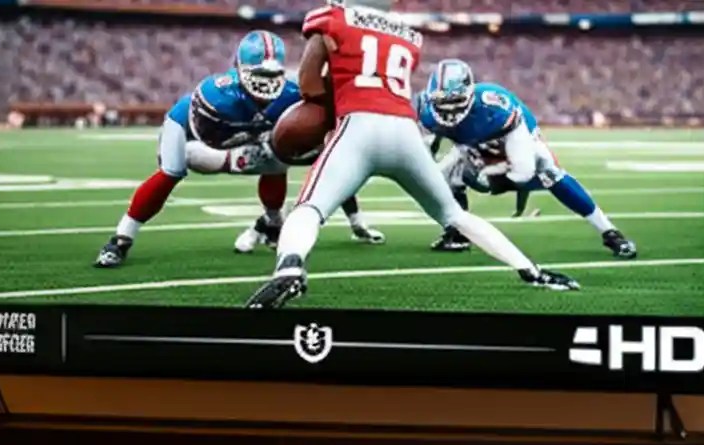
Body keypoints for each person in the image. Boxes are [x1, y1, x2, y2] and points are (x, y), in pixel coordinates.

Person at [246, 0, 577, 309]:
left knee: (309, 208)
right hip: (406, 131)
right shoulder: (407, 34)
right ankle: (531, 270)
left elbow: (309, 85)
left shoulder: (332, 17)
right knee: (455, 215)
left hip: (359, 125)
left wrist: (323, 111)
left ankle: (289, 268)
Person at [97, 31, 380, 268]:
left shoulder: (292, 94)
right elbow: (208, 140)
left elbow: (330, 153)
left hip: (244, 139)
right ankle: (121, 239)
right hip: (192, 131)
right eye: (259, 74)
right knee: (172, 170)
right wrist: (248, 149)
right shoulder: (218, 95)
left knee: (291, 156)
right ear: (239, 68)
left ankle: (272, 223)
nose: (266, 83)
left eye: (273, 75)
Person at [419, 59, 637, 258]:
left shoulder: (493, 106)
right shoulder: (427, 112)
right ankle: (458, 231)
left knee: (548, 170)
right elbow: (429, 148)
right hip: (469, 142)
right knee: (444, 177)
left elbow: (518, 144)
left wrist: (499, 166)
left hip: (511, 133)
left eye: (456, 101)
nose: (449, 110)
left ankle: (609, 232)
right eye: (441, 102)